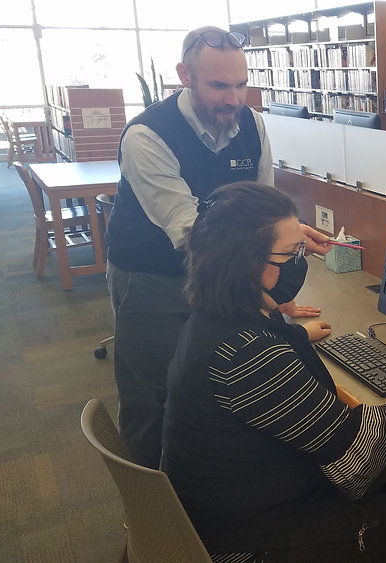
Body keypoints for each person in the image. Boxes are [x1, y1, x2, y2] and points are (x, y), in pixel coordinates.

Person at [162, 181, 386, 561]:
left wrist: (296, 332)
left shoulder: (215, 318)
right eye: (291, 252)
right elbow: (354, 447)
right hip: (251, 544)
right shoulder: (248, 356)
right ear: (247, 265)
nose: (299, 260)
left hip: (227, 516)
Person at [105, 26, 331, 468]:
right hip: (152, 278)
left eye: (242, 84)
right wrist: (259, 276)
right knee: (152, 399)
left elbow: (263, 217)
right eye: (220, 86)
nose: (234, 99)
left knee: (212, 392)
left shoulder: (252, 125)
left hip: (223, 273)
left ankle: (208, 501)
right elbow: (191, 233)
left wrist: (269, 288)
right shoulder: (147, 136)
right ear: (184, 75)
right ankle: (154, 520)